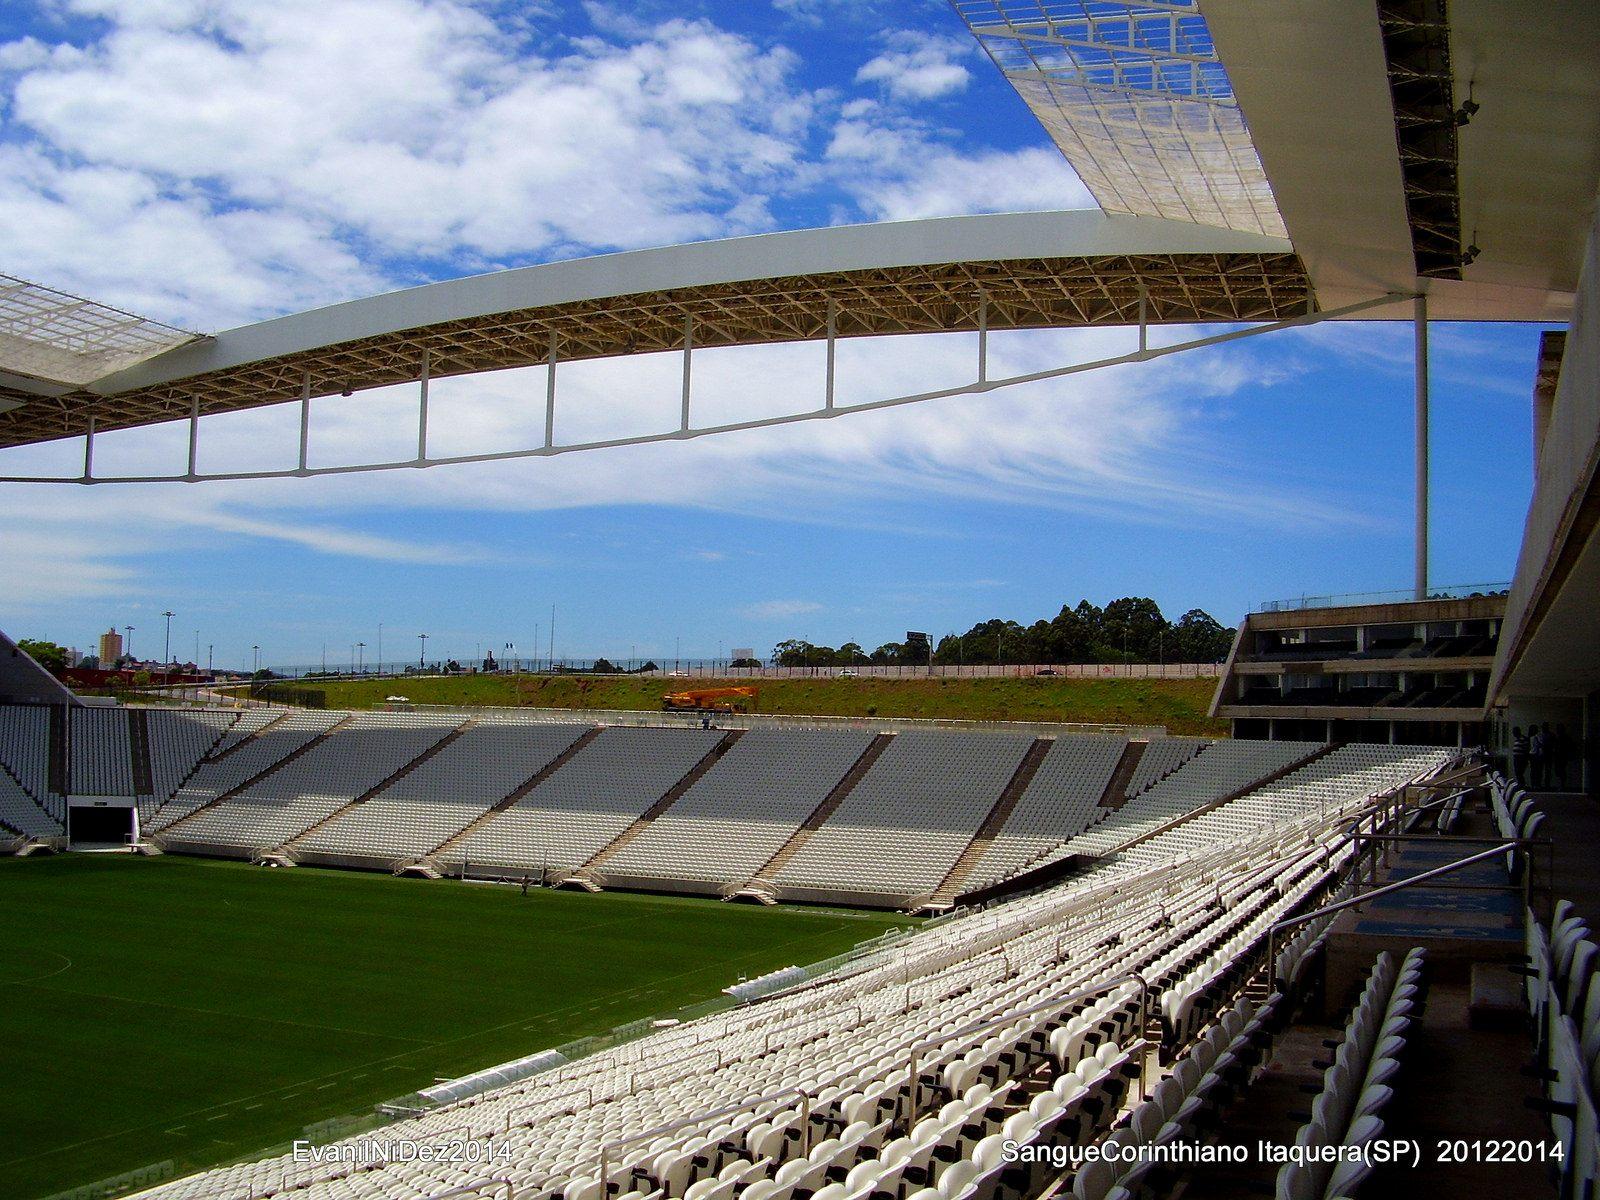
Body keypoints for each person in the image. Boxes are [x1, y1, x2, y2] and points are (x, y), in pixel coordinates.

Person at [1529, 724, 1548, 789]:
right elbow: (1539, 745)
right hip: (1536, 755)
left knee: (1533, 770)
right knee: (1538, 770)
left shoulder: (1530, 737)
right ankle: (1537, 784)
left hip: (1532, 754)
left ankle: (1533, 784)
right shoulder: (1536, 737)